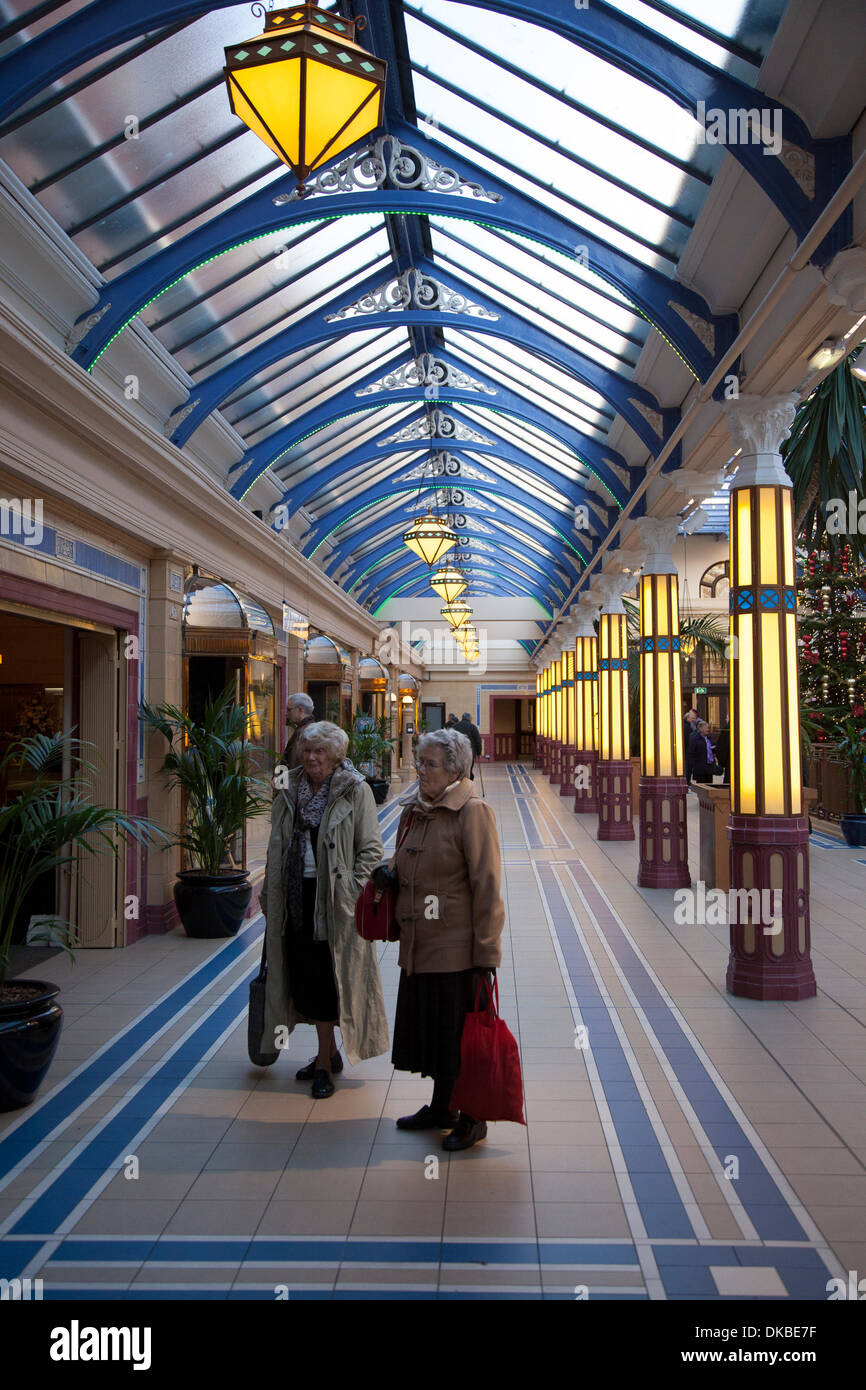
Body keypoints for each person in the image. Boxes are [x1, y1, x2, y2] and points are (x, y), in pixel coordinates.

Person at [376, 727, 505, 1152]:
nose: (420, 770)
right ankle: (441, 1106)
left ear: (454, 769)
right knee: (433, 1033)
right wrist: (391, 870)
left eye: (429, 764)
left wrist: (486, 950)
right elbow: (412, 854)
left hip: (456, 950)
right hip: (421, 943)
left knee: (459, 1036)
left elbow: (487, 884)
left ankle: (473, 1117)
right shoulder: (420, 809)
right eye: (420, 762)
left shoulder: (472, 812)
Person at [257, 721, 389, 1098]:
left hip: (333, 899)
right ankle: (326, 1056)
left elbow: (371, 849)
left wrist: (350, 889)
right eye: (307, 750)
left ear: (336, 757)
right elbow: (275, 842)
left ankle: (323, 1062)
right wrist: (270, 893)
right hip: (295, 895)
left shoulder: (355, 789)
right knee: (303, 972)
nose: (311, 757)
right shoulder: (288, 785)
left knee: (332, 976)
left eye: (320, 752)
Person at [281, 692, 315, 767]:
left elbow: (295, 764)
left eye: (289, 709)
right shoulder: (308, 728)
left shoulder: (304, 732)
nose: (286, 713)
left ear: (300, 709)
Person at [687, 719, 717, 785]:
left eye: (708, 728)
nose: (708, 730)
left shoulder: (709, 738)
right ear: (700, 729)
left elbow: (714, 747)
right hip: (700, 767)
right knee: (702, 786)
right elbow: (691, 752)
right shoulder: (695, 739)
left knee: (709, 785)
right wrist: (693, 764)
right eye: (706, 728)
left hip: (709, 766)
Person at [455, 710, 483, 780]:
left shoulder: (455, 726)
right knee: (468, 770)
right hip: (469, 753)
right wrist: (479, 753)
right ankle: (468, 785)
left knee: (458, 770)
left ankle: (459, 784)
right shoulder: (472, 727)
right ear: (469, 718)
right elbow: (478, 740)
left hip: (457, 752)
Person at [683, 708, 699, 784]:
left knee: (688, 767)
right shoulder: (687, 727)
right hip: (687, 751)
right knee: (688, 767)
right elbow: (687, 740)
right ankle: (687, 782)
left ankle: (688, 781)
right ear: (688, 718)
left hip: (688, 751)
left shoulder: (688, 726)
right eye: (692, 718)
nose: (694, 720)